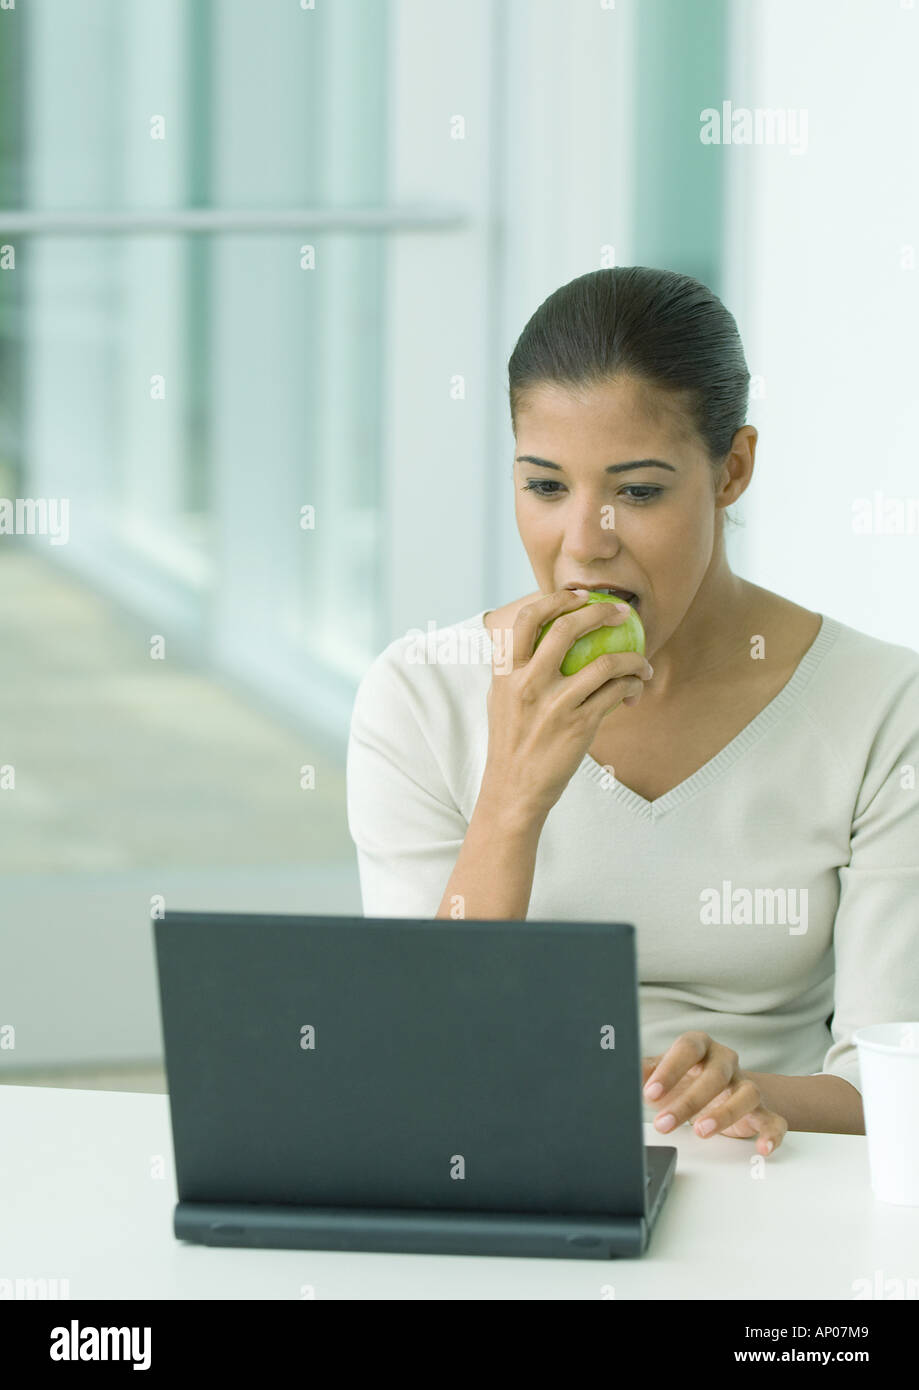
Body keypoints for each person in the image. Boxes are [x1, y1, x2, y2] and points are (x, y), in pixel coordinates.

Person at [346, 265, 919, 1154]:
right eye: (544, 487)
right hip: (496, 1163)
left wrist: (744, 1095)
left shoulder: (882, 708)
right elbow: (417, 1057)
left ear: (731, 470)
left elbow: (890, 1080)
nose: (583, 543)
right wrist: (511, 795)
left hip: (770, 1179)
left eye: (639, 492)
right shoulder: (420, 695)